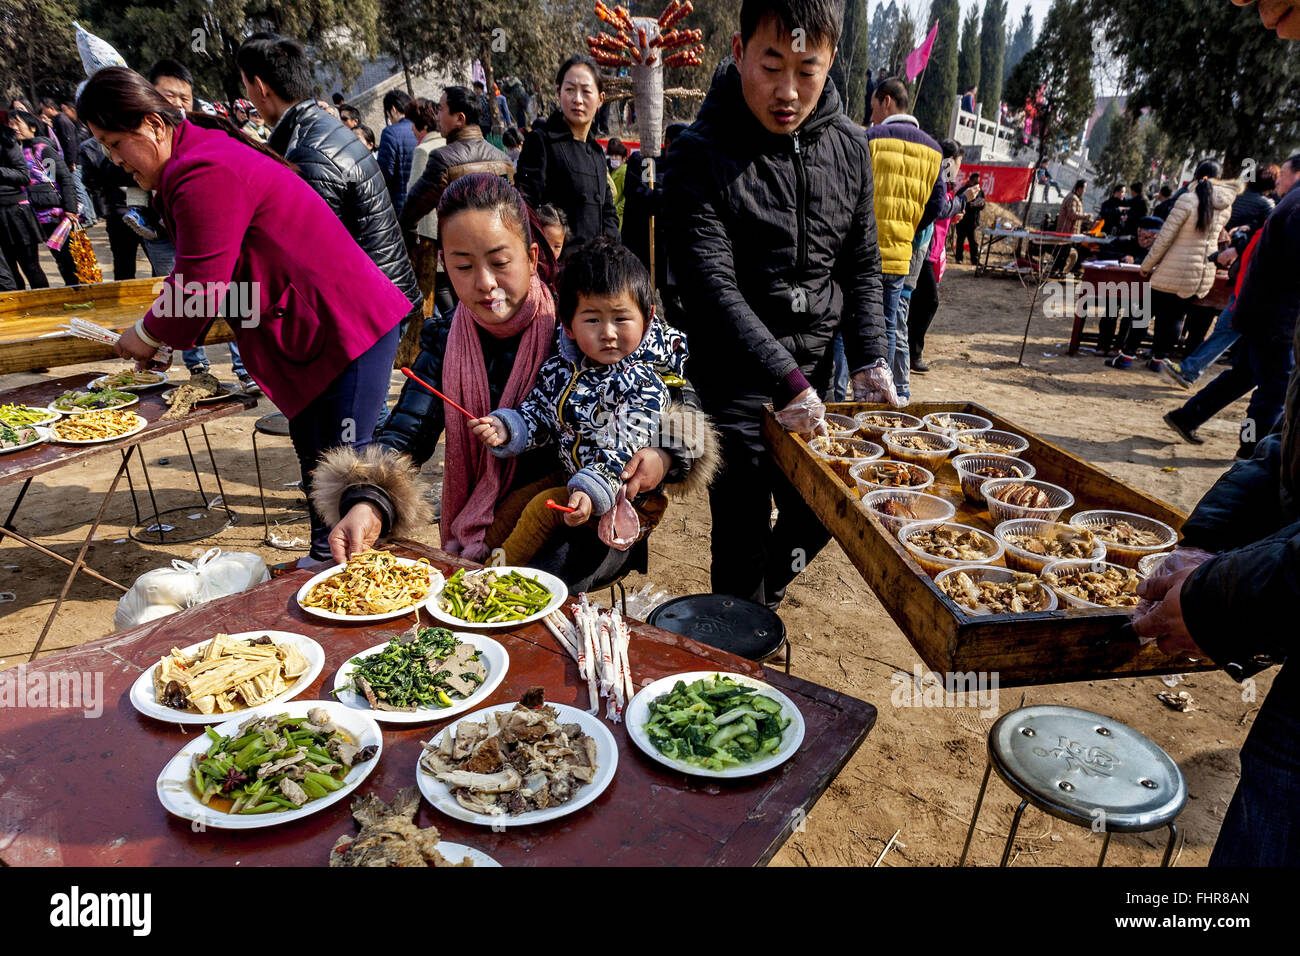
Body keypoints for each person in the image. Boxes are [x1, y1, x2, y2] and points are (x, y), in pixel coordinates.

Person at [315, 173, 714, 589]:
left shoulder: (584, 321)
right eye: (464, 266)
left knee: (533, 582)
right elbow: (406, 432)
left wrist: (666, 456)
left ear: (531, 255)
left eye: (500, 262)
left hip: (596, 507)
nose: (484, 283)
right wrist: (370, 502)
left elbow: (681, 398)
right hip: (494, 518)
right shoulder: (447, 340)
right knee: (486, 586)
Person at [79, 66, 413, 562]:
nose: (113, 160)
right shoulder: (194, 157)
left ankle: (353, 571)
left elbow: (201, 278)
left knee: (350, 464)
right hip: (301, 323)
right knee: (317, 457)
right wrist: (169, 331)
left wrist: (147, 332)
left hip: (345, 325)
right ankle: (326, 559)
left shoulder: (202, 168)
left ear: (151, 124)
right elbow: (228, 283)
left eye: (114, 143)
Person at [665, 0, 900, 608]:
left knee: (830, 509)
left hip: (818, 375)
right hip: (737, 383)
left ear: (831, 63)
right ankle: (743, 629)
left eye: (807, 69)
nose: (788, 92)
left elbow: (862, 264)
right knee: (739, 531)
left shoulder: (850, 146)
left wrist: (875, 357)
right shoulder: (700, 153)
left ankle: (752, 606)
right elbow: (711, 288)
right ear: (739, 52)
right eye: (772, 67)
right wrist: (785, 378)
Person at [472, 237, 694, 563]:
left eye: (621, 318)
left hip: (621, 496)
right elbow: (539, 412)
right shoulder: (562, 368)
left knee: (539, 510)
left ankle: (493, 582)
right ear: (569, 326)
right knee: (513, 502)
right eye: (592, 319)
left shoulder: (644, 383)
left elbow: (622, 448)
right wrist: (508, 427)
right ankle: (474, 560)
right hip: (571, 476)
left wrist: (591, 492)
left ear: (646, 319)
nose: (608, 332)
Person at [238, 33, 423, 392]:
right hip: (378, 298)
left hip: (367, 309)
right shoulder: (316, 131)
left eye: (246, 85)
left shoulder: (309, 151)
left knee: (359, 428)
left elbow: (312, 256)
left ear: (259, 86)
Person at [1163, 175, 1299, 460]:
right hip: (1278, 319)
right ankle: (1248, 450)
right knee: (1273, 393)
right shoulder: (1293, 206)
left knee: (1243, 376)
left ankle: (1188, 416)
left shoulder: (1288, 203)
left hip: (1259, 311)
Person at [864, 76, 973, 402]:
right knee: (888, 324)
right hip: (900, 255)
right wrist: (910, 227)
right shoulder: (933, 150)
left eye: (873, 107)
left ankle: (846, 399)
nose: (872, 115)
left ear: (885, 101)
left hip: (864, 255)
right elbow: (937, 207)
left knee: (854, 328)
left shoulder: (868, 138)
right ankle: (891, 400)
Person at [1165, 154, 1300, 389]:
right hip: (1250, 282)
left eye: (1284, 176)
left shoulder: (1274, 207)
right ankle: (1189, 378)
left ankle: (1189, 372)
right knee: (1236, 346)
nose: (1279, 183)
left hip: (1251, 284)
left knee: (1228, 331)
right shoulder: (1273, 207)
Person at [1108, 160, 1241, 372]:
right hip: (1200, 273)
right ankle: (1159, 360)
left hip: (1173, 268)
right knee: (1175, 317)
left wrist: (1148, 264)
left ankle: (1126, 356)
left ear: (1197, 178)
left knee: (1144, 312)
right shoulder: (1225, 205)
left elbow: (1165, 238)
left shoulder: (1187, 200)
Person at [401, 86, 514, 319]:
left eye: (441, 109)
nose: (437, 116)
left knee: (469, 317)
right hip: (501, 257)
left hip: (463, 261)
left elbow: (413, 208)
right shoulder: (503, 160)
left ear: (459, 118)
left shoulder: (443, 159)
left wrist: (412, 238)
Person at [516, 55, 620, 244]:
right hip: (558, 266)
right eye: (570, 90)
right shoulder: (541, 142)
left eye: (586, 92)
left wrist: (610, 247)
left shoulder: (596, 152)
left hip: (596, 265)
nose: (577, 100)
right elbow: (525, 208)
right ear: (559, 93)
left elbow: (607, 210)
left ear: (600, 99)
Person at [907, 140, 967, 372]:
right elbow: (938, 208)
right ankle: (913, 352)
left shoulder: (946, 182)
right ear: (949, 161)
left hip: (933, 251)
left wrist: (953, 215)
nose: (959, 169)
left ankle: (911, 351)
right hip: (923, 250)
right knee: (928, 301)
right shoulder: (937, 177)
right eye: (958, 163)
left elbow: (942, 212)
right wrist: (962, 202)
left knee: (921, 302)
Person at [7, 110, 78, 286]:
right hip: (28, 214)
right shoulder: (13, 151)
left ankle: (78, 292)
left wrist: (70, 208)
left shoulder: (41, 149)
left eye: (17, 123)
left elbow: (62, 178)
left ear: (32, 127)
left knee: (65, 259)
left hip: (52, 213)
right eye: (10, 124)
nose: (14, 128)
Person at [0, 123, 45, 290]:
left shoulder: (5, 139)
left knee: (30, 266)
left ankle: (44, 307)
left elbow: (23, 175)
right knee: (8, 272)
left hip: (15, 212)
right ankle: (20, 311)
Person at [377, 89, 416, 216]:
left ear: (393, 110)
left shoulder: (390, 133)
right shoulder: (422, 126)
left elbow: (385, 173)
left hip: (403, 205)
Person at [952, 170, 984, 263]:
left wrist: (979, 204)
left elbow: (982, 203)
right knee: (960, 240)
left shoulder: (980, 191)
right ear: (970, 181)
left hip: (972, 222)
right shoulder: (962, 190)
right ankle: (959, 259)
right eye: (975, 182)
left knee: (973, 242)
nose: (976, 184)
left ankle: (975, 260)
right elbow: (957, 203)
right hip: (962, 221)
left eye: (978, 182)